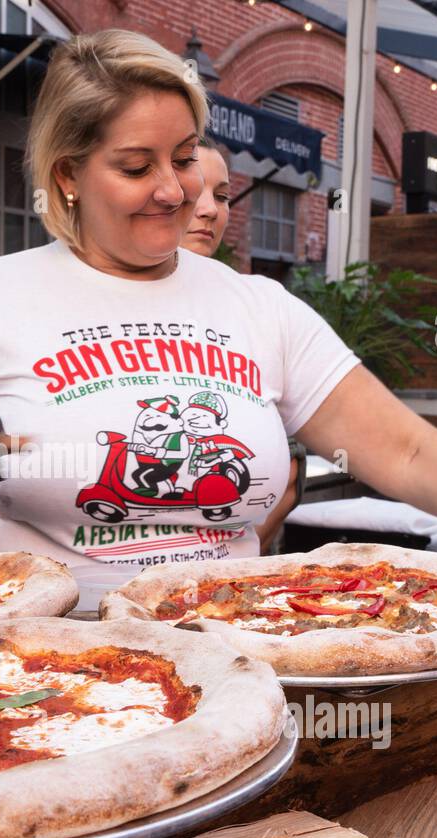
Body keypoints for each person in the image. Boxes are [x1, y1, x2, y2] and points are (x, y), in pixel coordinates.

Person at [0, 29, 437, 608]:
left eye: (184, 158)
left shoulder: (256, 305)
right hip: (49, 665)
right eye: (134, 166)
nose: (172, 190)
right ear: (67, 174)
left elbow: (400, 449)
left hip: (234, 647)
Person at [181, 138, 301, 551]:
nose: (210, 209)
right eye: (194, 191)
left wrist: (235, 559)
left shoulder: (258, 306)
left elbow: (290, 477)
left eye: (221, 195)